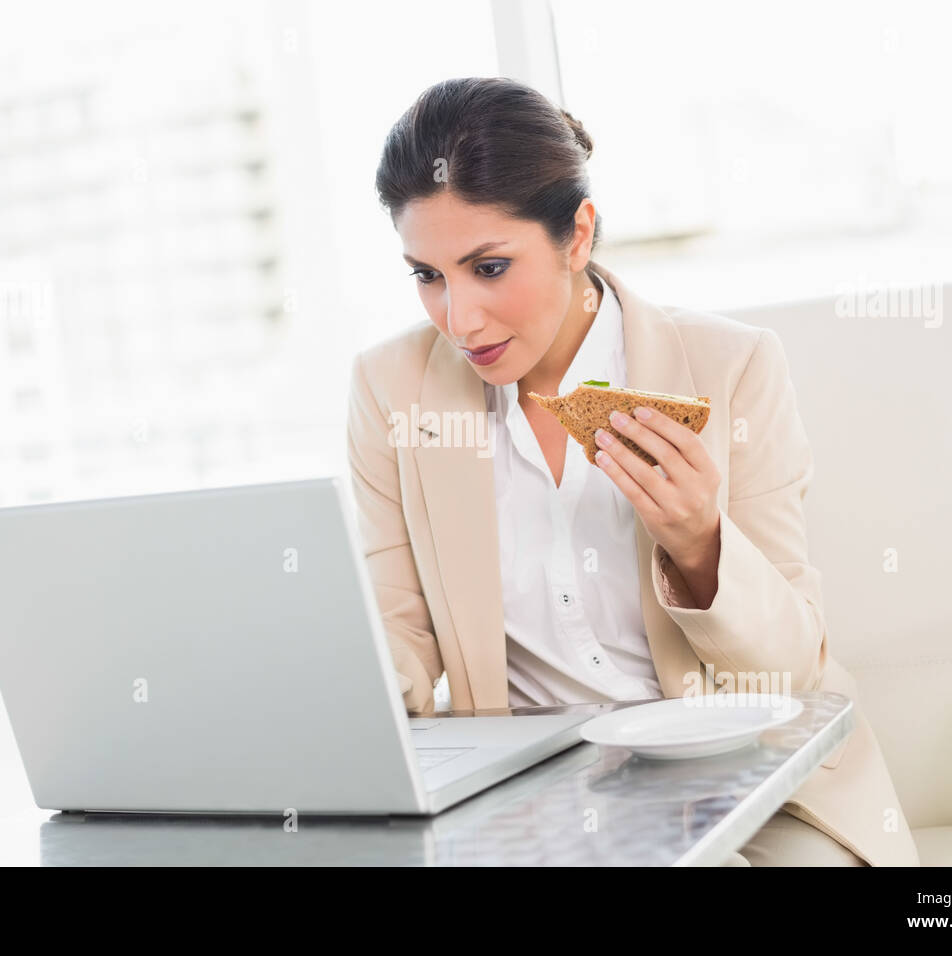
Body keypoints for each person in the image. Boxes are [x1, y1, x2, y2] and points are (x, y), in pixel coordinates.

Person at [347, 76, 919, 867]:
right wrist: (347, 679)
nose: (459, 319)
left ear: (576, 235)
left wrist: (699, 545)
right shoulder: (391, 391)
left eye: (488, 268)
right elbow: (399, 630)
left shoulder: (731, 368)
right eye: (427, 275)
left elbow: (793, 675)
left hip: (749, 792)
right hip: (529, 811)